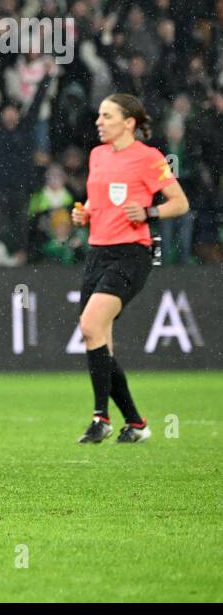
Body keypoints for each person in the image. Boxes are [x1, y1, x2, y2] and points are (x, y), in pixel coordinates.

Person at [70, 94, 189, 444]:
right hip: (98, 252)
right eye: (99, 115)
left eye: (107, 116)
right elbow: (99, 197)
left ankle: (100, 418)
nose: (99, 121)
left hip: (131, 254)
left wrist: (150, 213)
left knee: (91, 325)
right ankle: (135, 423)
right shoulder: (97, 155)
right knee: (99, 339)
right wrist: (86, 213)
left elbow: (180, 203)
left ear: (129, 123)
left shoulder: (150, 158)